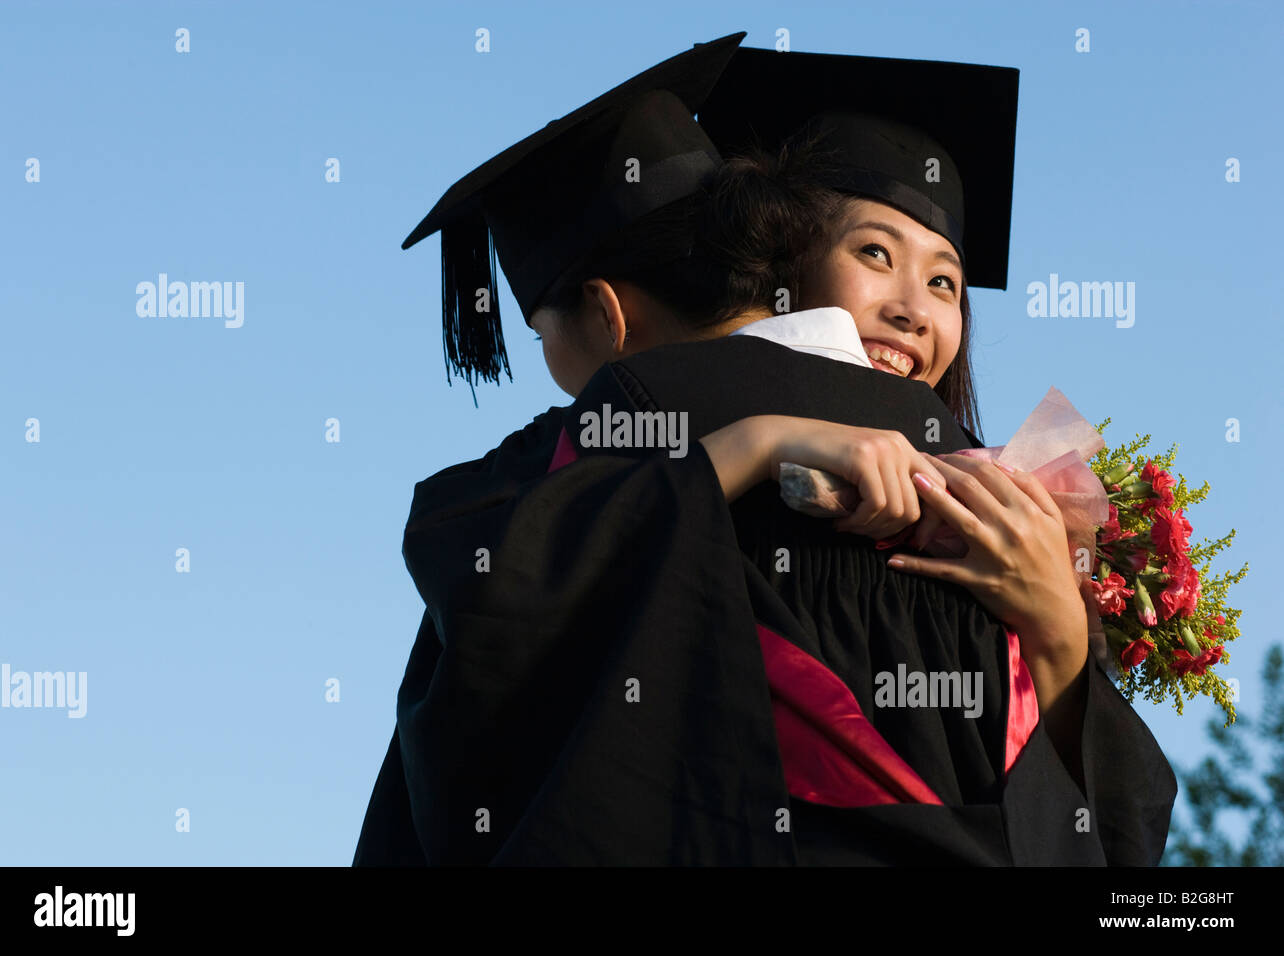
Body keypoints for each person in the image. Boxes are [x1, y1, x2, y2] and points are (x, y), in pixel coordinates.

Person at [353, 38, 1175, 865]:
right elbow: (1120, 837)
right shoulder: (994, 492)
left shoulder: (608, 442)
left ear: (607, 316)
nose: (912, 311)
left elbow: (484, 673)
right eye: (874, 254)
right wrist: (1064, 635)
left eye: (943, 281)